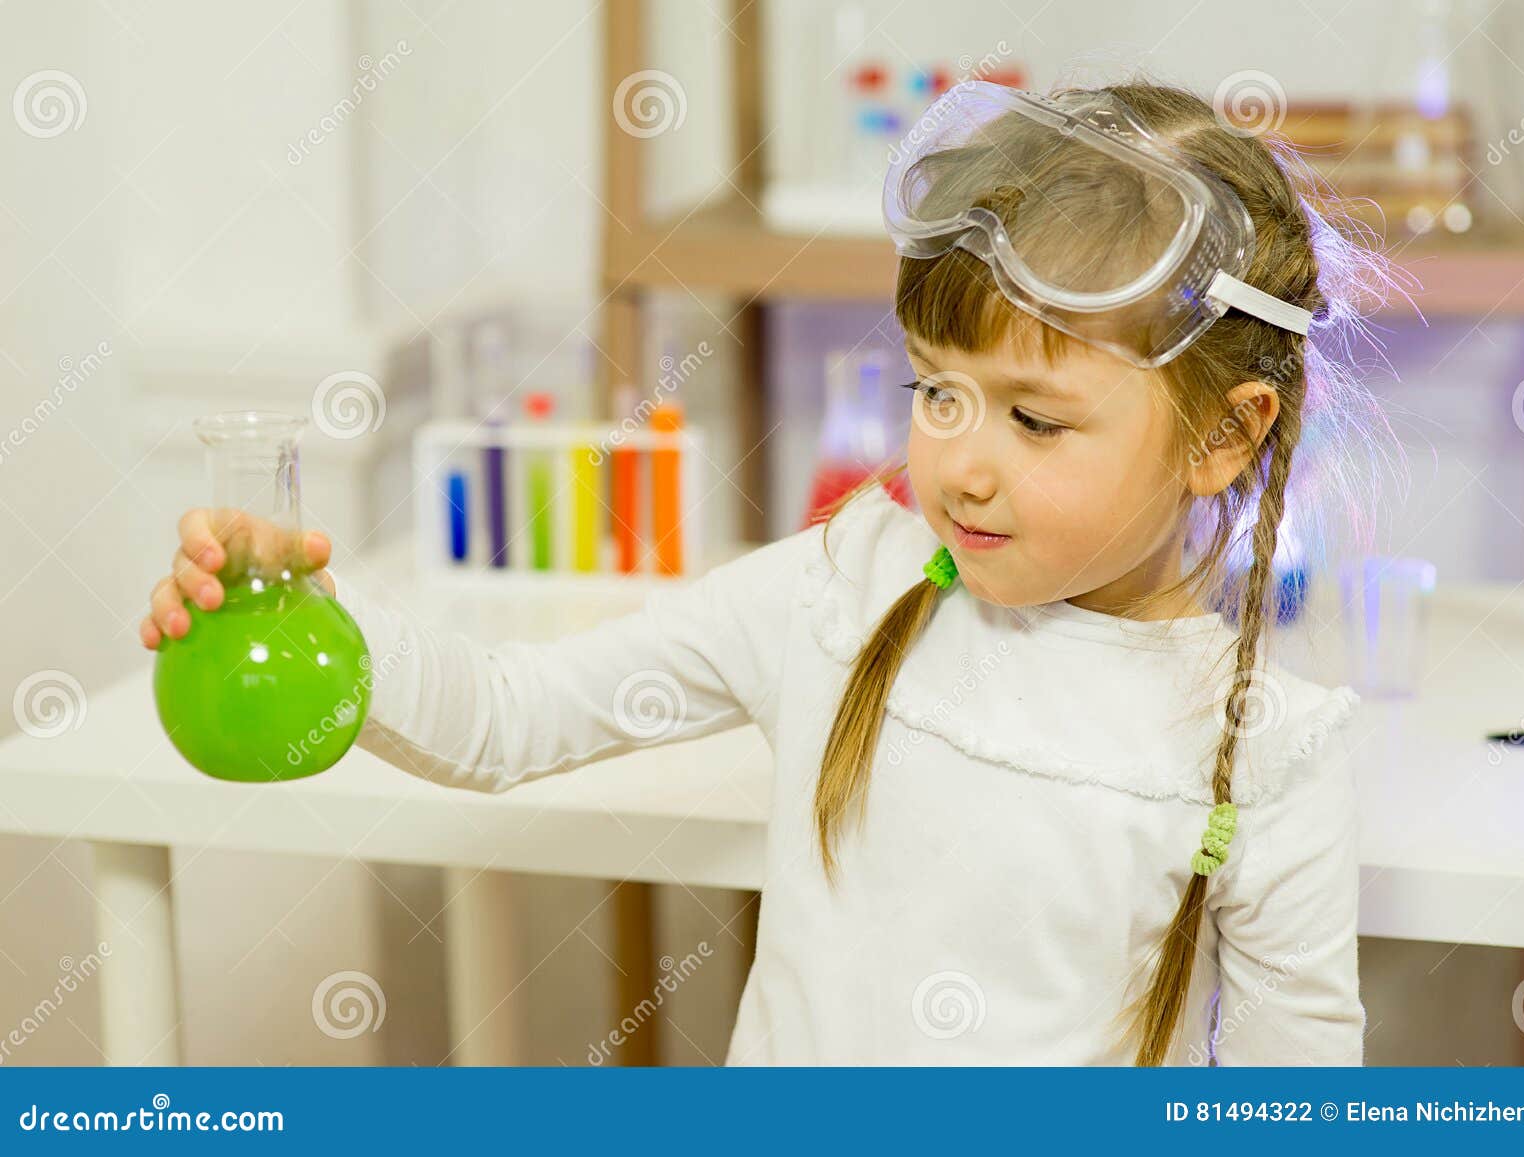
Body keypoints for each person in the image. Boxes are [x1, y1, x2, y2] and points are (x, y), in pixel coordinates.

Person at [140, 75, 1403, 1066]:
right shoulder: (843, 588)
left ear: (1224, 433)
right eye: (936, 391)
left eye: (1034, 419)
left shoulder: (1269, 750)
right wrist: (318, 623)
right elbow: (509, 717)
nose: (959, 463)